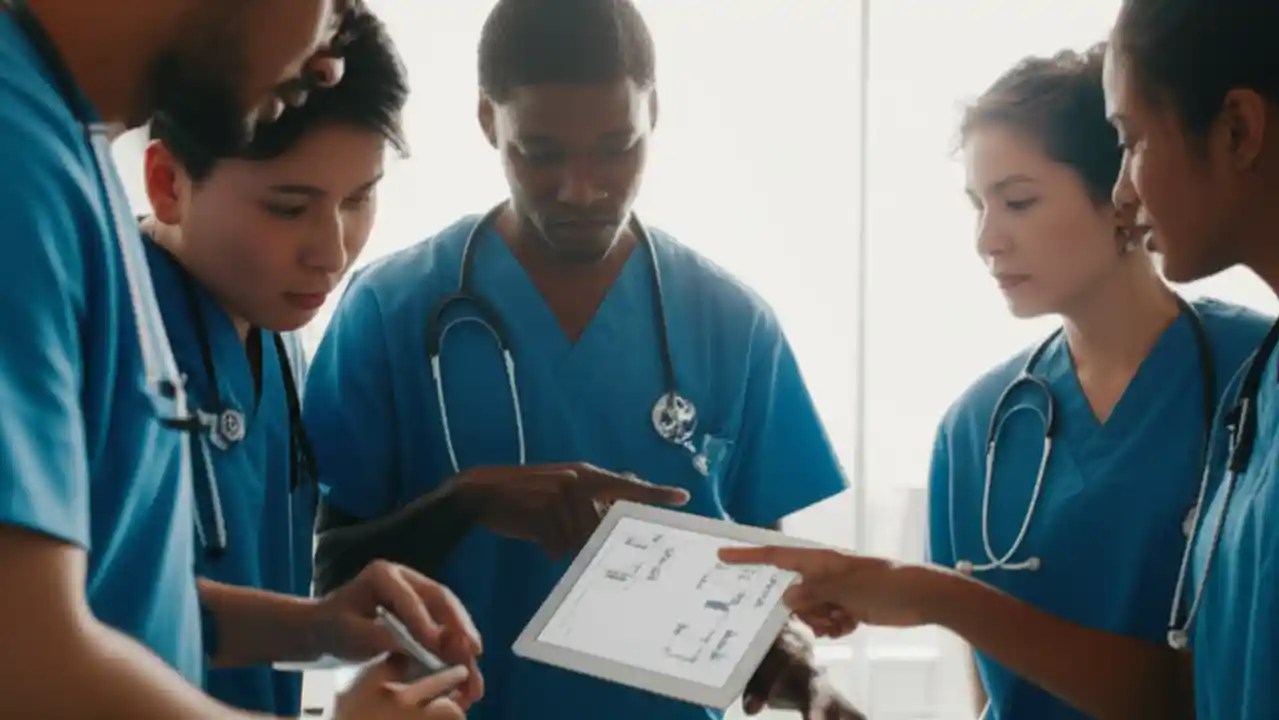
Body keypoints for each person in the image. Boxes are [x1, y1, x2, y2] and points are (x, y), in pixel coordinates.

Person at [303, 1, 861, 718]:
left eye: (616, 148)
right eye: (540, 153)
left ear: (653, 112)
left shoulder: (732, 324)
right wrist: (463, 504)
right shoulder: (390, 311)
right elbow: (326, 580)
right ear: (488, 121)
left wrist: (802, 674)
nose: (582, 188)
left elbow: (757, 602)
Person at [721, 41, 1276, 720]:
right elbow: (991, 691)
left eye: (1018, 202)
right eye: (977, 206)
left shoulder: (1256, 370)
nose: (988, 239)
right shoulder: (975, 427)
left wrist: (930, 594)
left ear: (1123, 190)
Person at [0, 0, 476, 718]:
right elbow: (26, 664)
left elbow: (119, 594)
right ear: (168, 186)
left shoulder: (61, 143)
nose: (329, 61)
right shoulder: (17, 170)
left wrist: (313, 627)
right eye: (330, 7)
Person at [138, 7, 484, 716]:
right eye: (288, 208)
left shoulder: (275, 329)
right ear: (169, 183)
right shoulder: (101, 337)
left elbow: (179, 610)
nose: (332, 253)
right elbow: (63, 638)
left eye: (359, 198)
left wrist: (326, 629)